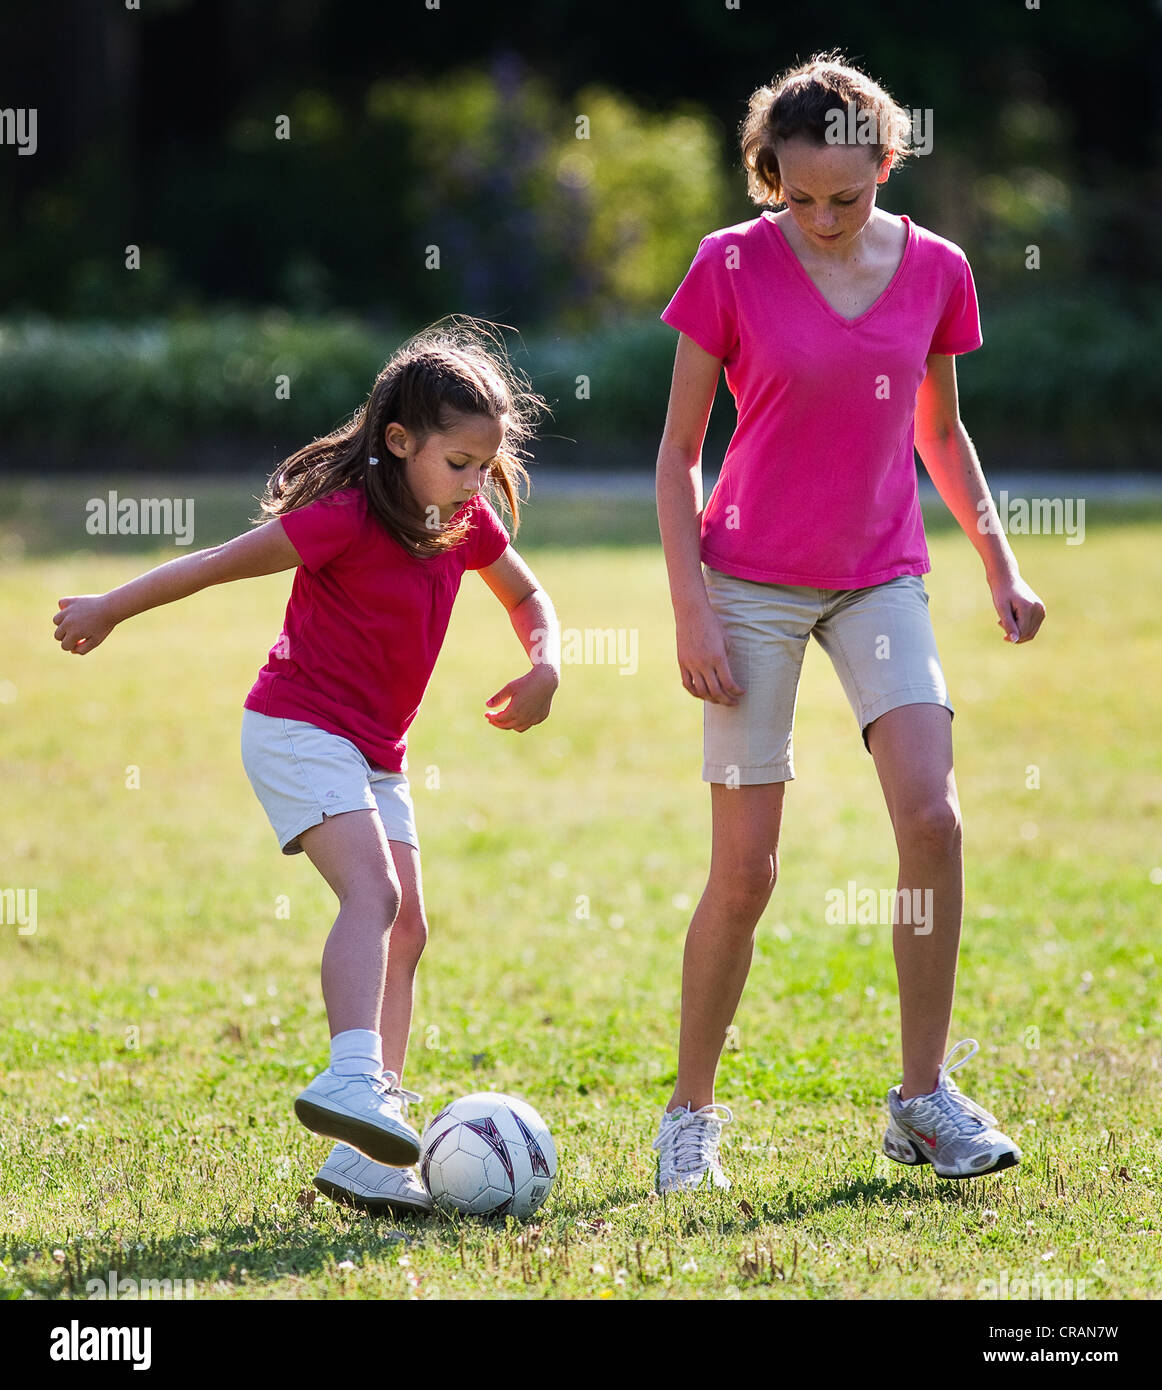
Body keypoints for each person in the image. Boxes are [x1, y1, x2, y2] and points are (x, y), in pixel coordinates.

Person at [53, 318, 561, 1215]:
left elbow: (527, 595)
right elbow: (214, 565)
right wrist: (108, 607)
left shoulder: (465, 522)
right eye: (459, 464)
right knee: (376, 898)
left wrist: (546, 661)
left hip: (376, 752)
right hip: (296, 727)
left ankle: (367, 1152)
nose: (474, 485)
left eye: (487, 466)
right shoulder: (342, 520)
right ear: (400, 442)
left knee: (408, 931)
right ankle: (351, 1077)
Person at [652, 53, 1045, 1191]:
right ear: (766, 171)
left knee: (933, 819)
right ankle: (690, 1115)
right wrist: (691, 609)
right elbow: (678, 456)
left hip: (879, 575)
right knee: (748, 873)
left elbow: (941, 433)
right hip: (750, 584)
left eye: (848, 195)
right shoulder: (727, 264)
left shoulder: (937, 270)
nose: (821, 219)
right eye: (797, 194)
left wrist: (998, 563)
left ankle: (922, 1100)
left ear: (887, 163)